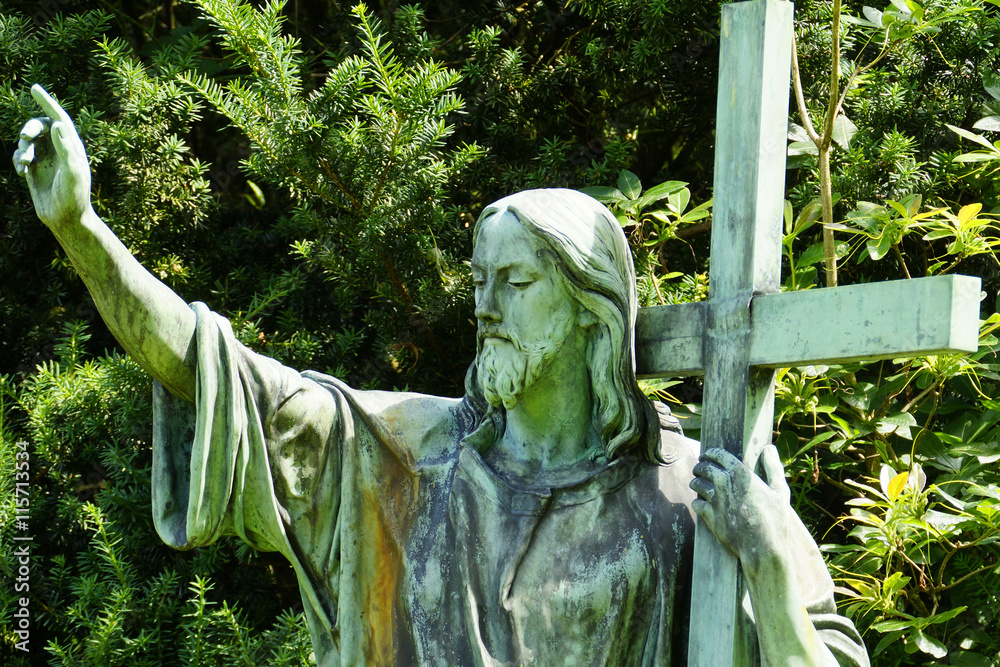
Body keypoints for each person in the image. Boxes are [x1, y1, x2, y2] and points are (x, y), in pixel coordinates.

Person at [14, 85, 868, 666]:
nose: (486, 306)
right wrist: (84, 234)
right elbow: (221, 377)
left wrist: (769, 563)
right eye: (479, 280)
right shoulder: (407, 456)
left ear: (590, 309)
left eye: (518, 281)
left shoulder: (683, 497)